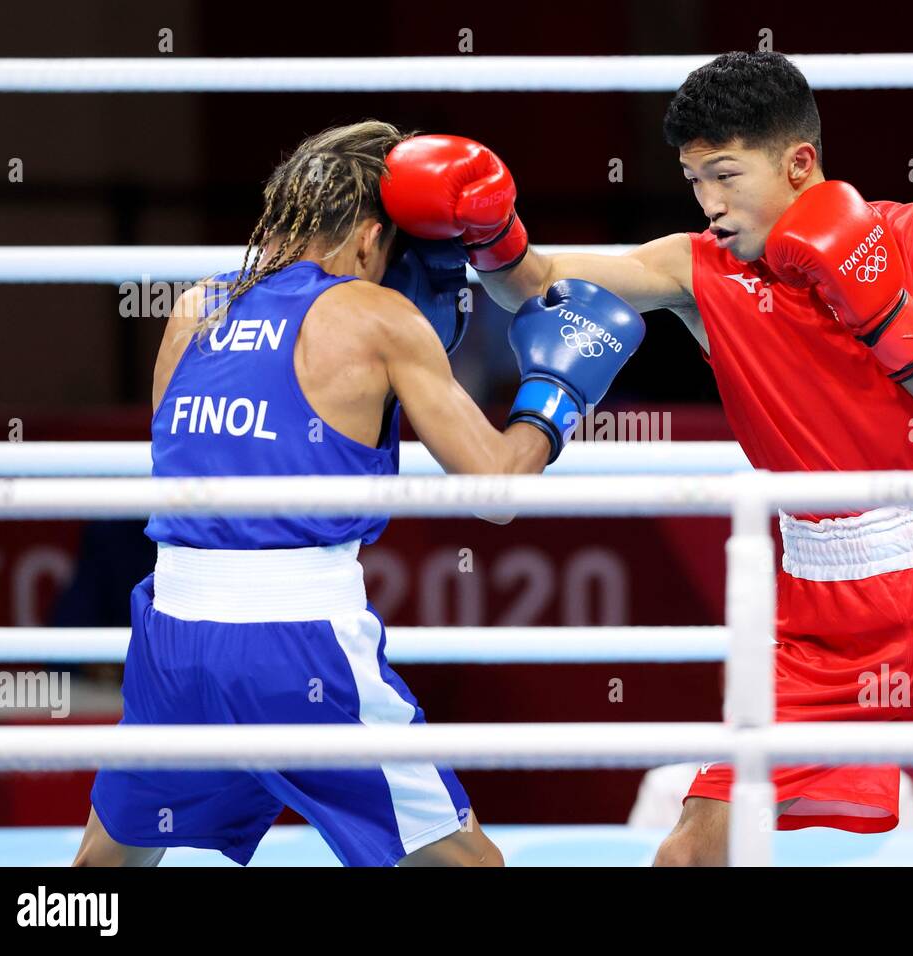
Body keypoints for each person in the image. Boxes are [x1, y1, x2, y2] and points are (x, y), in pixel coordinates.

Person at [380, 53, 913, 866]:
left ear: (797, 163)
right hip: (820, 616)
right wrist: (491, 233)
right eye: (693, 181)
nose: (709, 203)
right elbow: (539, 284)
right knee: (694, 843)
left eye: (725, 176)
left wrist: (874, 305)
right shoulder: (697, 267)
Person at [72, 121, 644, 867]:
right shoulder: (379, 316)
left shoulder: (194, 309)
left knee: (103, 872)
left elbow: (191, 478)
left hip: (172, 636)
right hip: (299, 645)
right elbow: (498, 487)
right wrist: (557, 394)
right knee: (470, 867)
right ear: (374, 240)